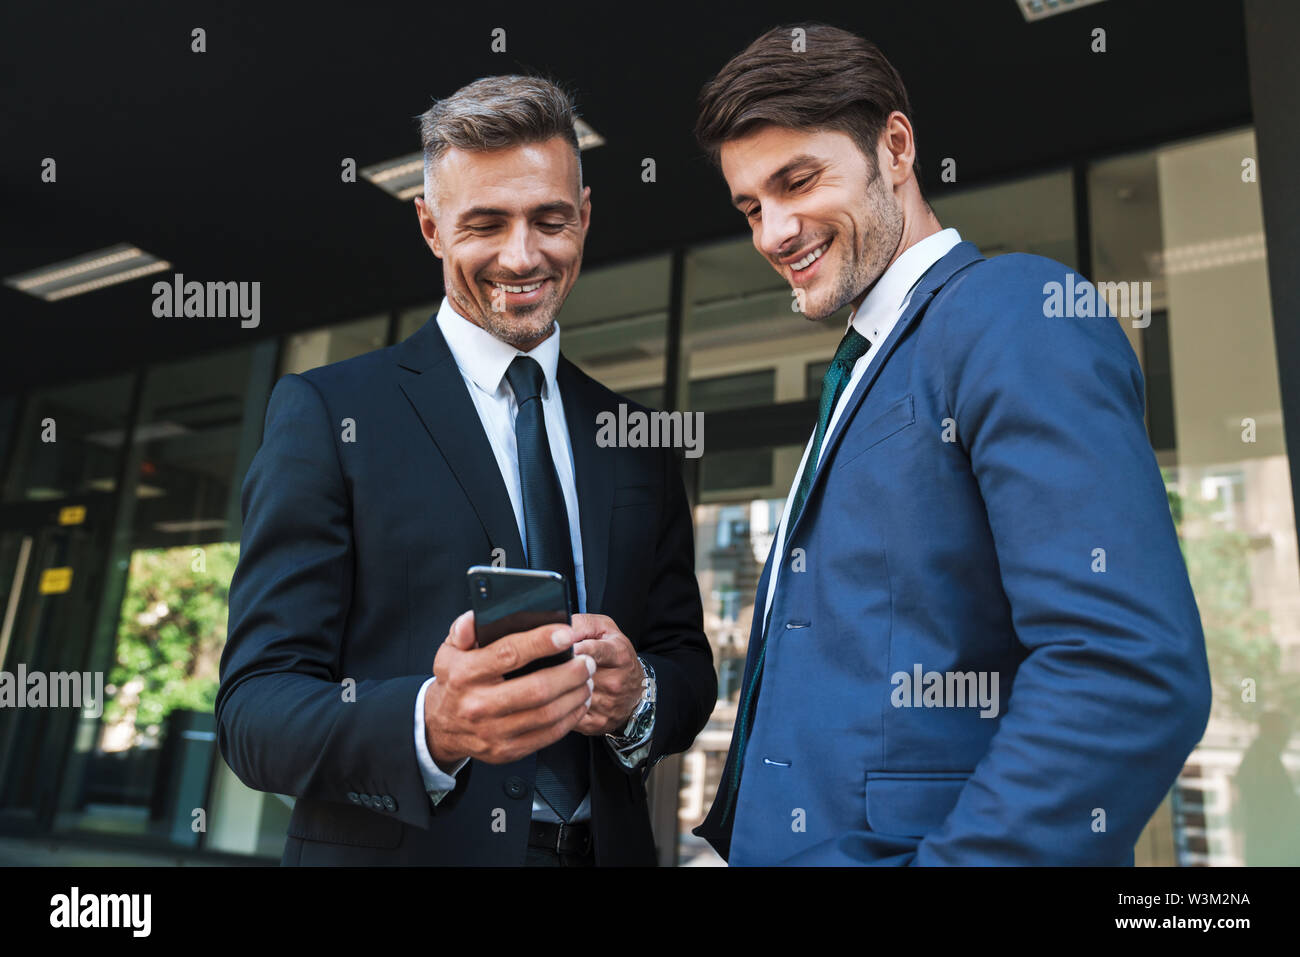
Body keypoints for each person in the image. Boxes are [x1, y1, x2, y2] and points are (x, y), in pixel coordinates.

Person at [691, 23, 1212, 865]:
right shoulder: (865, 366)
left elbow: (1125, 669)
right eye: (751, 206)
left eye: (798, 180)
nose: (773, 232)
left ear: (894, 147)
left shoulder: (1012, 310)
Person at [217, 74, 716, 866]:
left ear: (583, 219)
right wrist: (430, 724)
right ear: (430, 227)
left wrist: (639, 696)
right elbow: (253, 710)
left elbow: (687, 666)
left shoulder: (639, 439)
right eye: (485, 223)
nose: (522, 256)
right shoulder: (325, 413)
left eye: (550, 219)